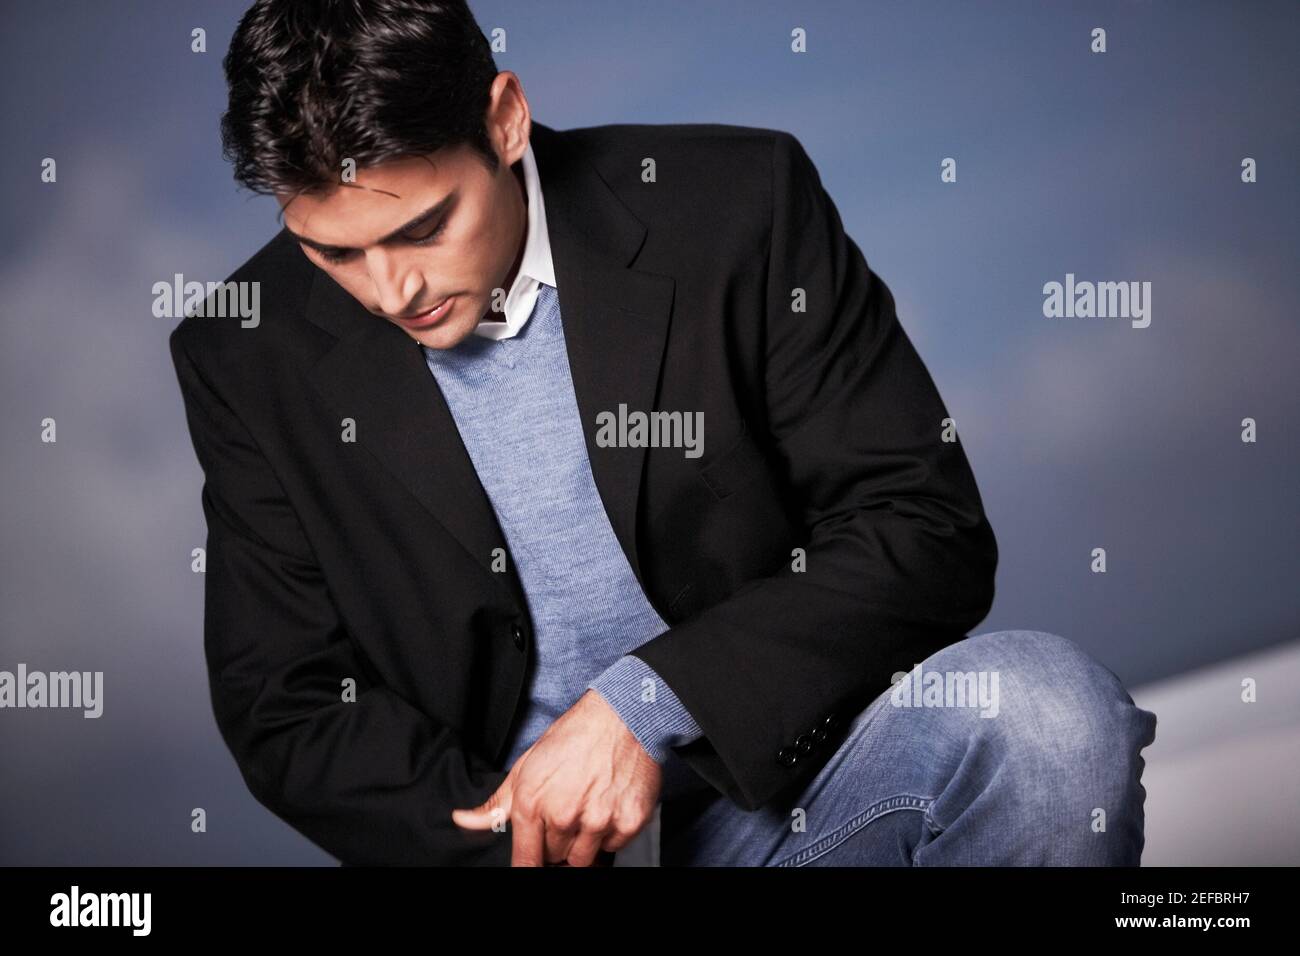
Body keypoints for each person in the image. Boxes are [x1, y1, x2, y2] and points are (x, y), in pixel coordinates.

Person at [170, 0, 1157, 866]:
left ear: (503, 120)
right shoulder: (242, 353)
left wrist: (648, 701)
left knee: (1045, 717)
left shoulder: (739, 205)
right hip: (509, 858)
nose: (392, 290)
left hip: (801, 802)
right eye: (334, 251)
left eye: (424, 228)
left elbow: (920, 524)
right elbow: (290, 705)